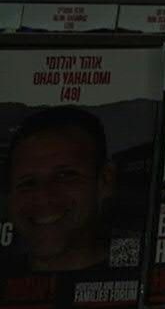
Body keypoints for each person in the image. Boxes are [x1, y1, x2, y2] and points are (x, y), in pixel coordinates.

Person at [2, 107, 117, 273]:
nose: (43, 197)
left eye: (65, 175)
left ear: (105, 180)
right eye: (27, 183)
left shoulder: (134, 268)